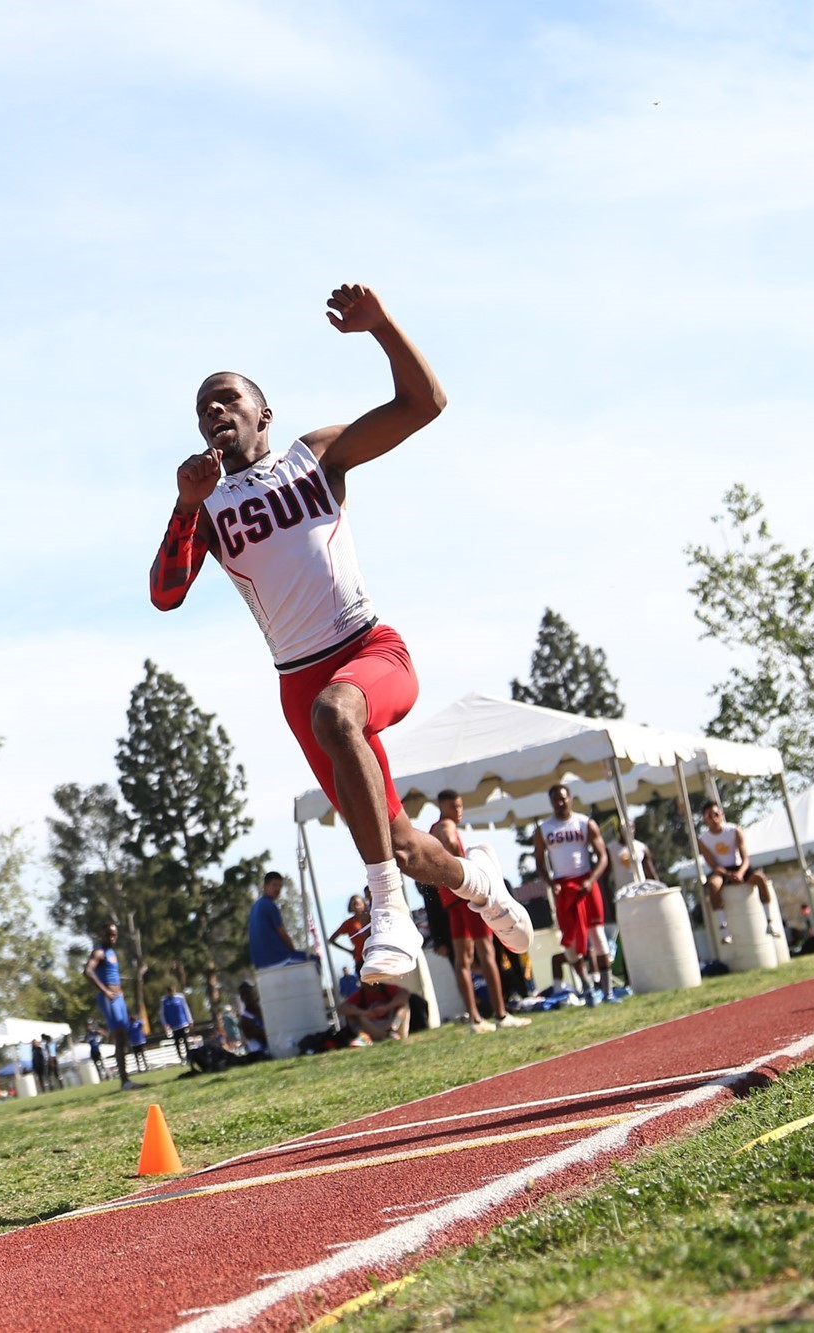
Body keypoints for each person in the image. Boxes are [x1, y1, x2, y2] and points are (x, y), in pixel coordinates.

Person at [148, 282, 532, 982]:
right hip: (299, 684)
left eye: (228, 396)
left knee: (340, 713)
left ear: (263, 412)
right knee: (407, 845)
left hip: (368, 651)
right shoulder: (207, 507)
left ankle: (390, 908)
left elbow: (425, 406)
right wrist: (183, 505)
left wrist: (382, 325)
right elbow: (166, 596)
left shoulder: (311, 456)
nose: (214, 409)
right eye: (204, 405)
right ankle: (479, 884)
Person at [430, 792, 529, 1033]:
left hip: (451, 899)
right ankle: (501, 1014)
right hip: (466, 896)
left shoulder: (432, 829)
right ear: (443, 806)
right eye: (455, 806)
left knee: (463, 959)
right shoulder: (445, 825)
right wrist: (463, 861)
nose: (459, 810)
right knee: (486, 953)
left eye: (461, 806)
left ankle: (475, 1019)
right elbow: (449, 836)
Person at [533, 784, 620, 1007]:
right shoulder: (545, 829)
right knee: (570, 942)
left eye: (563, 798)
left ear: (570, 798)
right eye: (555, 800)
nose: (560, 803)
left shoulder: (584, 823)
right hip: (564, 887)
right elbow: (540, 863)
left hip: (586, 883)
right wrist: (551, 883)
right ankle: (588, 987)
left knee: (599, 938)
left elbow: (603, 857)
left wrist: (591, 880)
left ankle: (607, 990)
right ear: (551, 802)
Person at [696, 800, 779, 944]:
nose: (714, 818)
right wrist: (727, 875)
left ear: (721, 814)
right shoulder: (703, 840)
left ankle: (769, 922)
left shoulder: (734, 830)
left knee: (760, 878)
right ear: (705, 819)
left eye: (716, 814)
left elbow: (745, 857)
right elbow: (713, 864)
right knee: (713, 886)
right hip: (721, 871)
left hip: (739, 867)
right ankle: (724, 930)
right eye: (709, 816)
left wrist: (740, 873)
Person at [84, 922, 142, 1091]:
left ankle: (126, 1080)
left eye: (114, 935)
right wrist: (105, 991)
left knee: (124, 1036)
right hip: (110, 999)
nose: (112, 938)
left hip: (119, 998)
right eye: (109, 934)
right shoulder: (99, 952)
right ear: (102, 934)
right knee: (120, 1037)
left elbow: (113, 975)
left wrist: (119, 991)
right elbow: (88, 971)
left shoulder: (111, 952)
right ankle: (124, 1081)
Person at [248, 872, 311, 969]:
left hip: (260, 964)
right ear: (265, 886)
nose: (277, 889)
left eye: (280, 886)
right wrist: (293, 951)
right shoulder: (269, 905)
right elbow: (283, 933)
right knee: (313, 959)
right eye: (274, 885)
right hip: (278, 959)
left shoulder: (254, 908)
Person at [336, 972, 410, 1045]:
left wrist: (387, 1007)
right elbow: (341, 1008)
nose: (371, 984)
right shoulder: (361, 994)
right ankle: (364, 1038)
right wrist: (364, 1012)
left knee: (404, 1007)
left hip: (392, 1025)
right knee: (352, 1015)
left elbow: (405, 994)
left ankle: (392, 1031)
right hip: (373, 1028)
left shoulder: (386, 989)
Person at [608, 821, 658, 891]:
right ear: (619, 830)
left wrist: (658, 887)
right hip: (622, 893)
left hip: (641, 891)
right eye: (624, 828)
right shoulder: (610, 849)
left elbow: (650, 871)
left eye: (631, 827)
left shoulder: (641, 847)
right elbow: (606, 876)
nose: (628, 831)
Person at [234, 981, 269, 1057]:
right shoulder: (245, 1020)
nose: (248, 996)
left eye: (249, 993)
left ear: (255, 993)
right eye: (244, 994)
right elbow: (265, 1036)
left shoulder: (264, 1009)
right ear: (242, 998)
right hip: (261, 1054)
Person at [159, 989, 194, 1062]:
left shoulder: (180, 997)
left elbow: (186, 1009)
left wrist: (190, 1020)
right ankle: (181, 1058)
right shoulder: (164, 1000)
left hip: (183, 1024)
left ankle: (189, 1057)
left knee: (185, 1041)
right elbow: (162, 1014)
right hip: (173, 1026)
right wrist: (165, 1024)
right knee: (177, 1043)